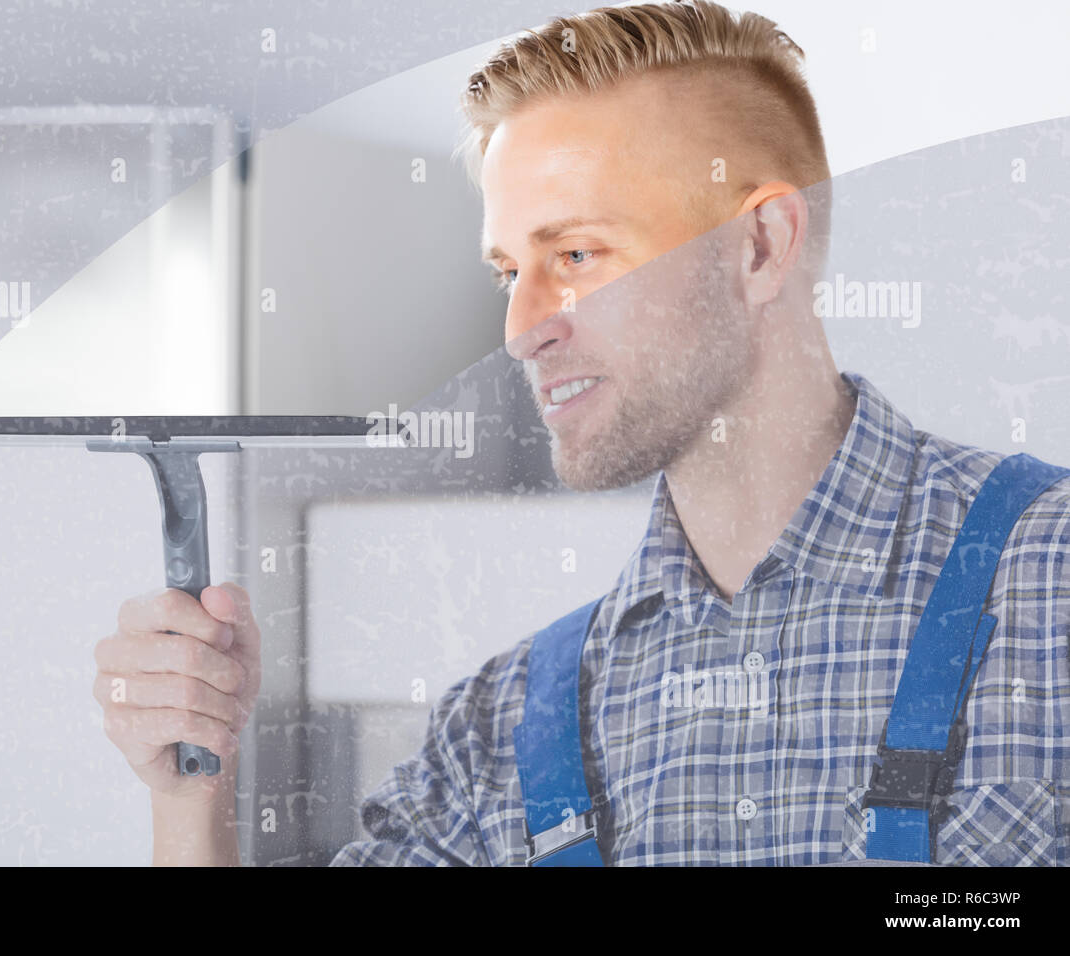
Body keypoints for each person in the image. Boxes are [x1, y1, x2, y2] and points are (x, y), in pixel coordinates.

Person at [91, 0, 1070, 866]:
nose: (521, 329)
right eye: (507, 270)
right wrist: (190, 802)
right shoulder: (504, 728)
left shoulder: (1050, 587)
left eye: (575, 252)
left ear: (760, 246)